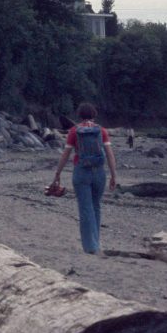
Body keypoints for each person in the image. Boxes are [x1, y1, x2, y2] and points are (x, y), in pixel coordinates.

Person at [52, 103, 118, 254]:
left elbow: (66, 154)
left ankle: (90, 247)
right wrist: (113, 175)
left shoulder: (74, 131)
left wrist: (58, 173)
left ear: (79, 115)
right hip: (99, 172)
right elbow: (109, 153)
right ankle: (96, 242)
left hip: (81, 172)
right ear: (94, 114)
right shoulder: (101, 130)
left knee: (85, 208)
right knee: (96, 206)